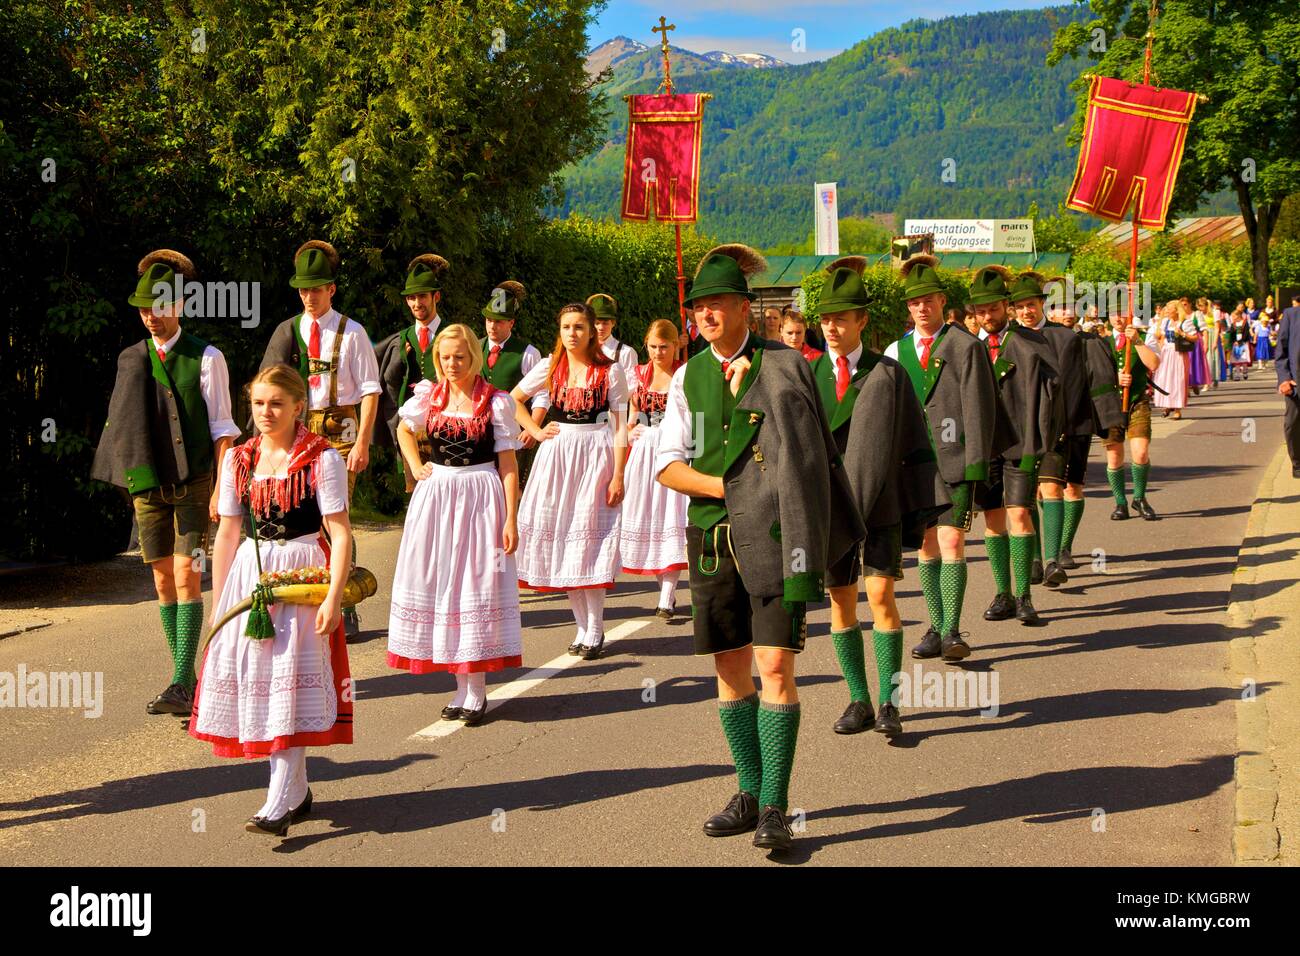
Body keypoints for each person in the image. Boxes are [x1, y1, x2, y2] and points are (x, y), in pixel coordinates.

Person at [656, 243, 864, 853]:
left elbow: (806, 457)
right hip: (714, 538)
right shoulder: (689, 375)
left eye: (718, 303)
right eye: (699, 306)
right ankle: (747, 790)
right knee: (729, 666)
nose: (706, 314)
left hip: (779, 538)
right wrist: (734, 487)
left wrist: (760, 408)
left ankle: (776, 804)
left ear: (747, 308)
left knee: (774, 665)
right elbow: (670, 464)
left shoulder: (786, 365)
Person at [189, 364, 354, 838]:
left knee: (289, 682)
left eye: (276, 403)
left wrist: (334, 596)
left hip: (303, 573)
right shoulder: (238, 459)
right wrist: (222, 604)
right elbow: (226, 534)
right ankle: (297, 792)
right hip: (251, 577)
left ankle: (278, 801)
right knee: (263, 678)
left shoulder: (323, 459)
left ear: (299, 406)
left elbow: (340, 534)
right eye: (258, 403)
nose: (265, 412)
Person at [91, 249, 240, 717]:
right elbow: (122, 425)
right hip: (148, 487)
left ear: (178, 306)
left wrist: (220, 488)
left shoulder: (207, 356)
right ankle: (186, 677)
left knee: (187, 574)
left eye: (159, 308)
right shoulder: (130, 358)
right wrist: (130, 483)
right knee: (160, 582)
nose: (151, 317)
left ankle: (181, 678)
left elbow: (223, 428)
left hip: (195, 483)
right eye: (143, 309)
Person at [812, 257, 946, 736]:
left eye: (841, 318)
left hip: (882, 505)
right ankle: (858, 700)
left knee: (881, 596)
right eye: (825, 318)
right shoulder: (810, 377)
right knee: (841, 602)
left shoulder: (888, 374)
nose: (831, 327)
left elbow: (916, 442)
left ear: (862, 321)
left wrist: (925, 507)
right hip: (831, 510)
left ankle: (890, 702)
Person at [386, 325, 523, 726]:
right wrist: (415, 466)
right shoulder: (429, 395)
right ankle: (460, 688)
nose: (451, 364)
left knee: (475, 584)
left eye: (459, 357)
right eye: (445, 357)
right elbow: (403, 429)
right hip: (438, 494)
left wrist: (511, 516)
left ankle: (476, 691)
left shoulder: (495, 402)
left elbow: (509, 464)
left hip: (481, 494)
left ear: (474, 358)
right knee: (443, 584)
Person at [259, 240, 381, 639]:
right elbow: (269, 382)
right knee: (305, 516)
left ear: (331, 289)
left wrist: (362, 441)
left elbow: (370, 390)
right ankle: (306, 592)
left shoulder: (353, 332)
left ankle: (343, 599)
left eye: (316, 289)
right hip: (298, 428)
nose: (309, 297)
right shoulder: (287, 330)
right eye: (303, 290)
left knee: (334, 514)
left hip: (341, 429)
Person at [884, 256, 1000, 661]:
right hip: (912, 466)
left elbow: (980, 408)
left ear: (941, 302)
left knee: (952, 541)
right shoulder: (895, 351)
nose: (922, 308)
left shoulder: (965, 346)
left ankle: (952, 630)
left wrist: (976, 467)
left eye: (929, 300)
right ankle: (934, 626)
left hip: (955, 462)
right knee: (927, 546)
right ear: (908, 308)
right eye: (915, 302)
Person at [512, 302, 629, 660]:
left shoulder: (611, 371)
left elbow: (621, 424)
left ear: (592, 330)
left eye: (579, 326)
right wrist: (533, 428)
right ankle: (582, 627)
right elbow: (513, 399)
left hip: (595, 453)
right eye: (566, 327)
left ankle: (595, 628)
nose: (573, 333)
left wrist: (619, 474)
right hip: (557, 454)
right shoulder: (550, 366)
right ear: (559, 331)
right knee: (564, 541)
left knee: (589, 543)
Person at [970, 266, 1061, 627]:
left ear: (1005, 307)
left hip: (1021, 442)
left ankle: (1024, 595)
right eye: (980, 311)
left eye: (993, 309)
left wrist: (1043, 441)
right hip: (984, 447)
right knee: (993, 522)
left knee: (1020, 514)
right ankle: (1003, 593)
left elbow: (1052, 397)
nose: (987, 317)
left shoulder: (1030, 343)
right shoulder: (969, 348)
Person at [1009, 272, 1086, 590]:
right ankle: (1037, 559)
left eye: (1031, 305)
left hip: (1056, 430)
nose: (1026, 312)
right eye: (1020, 307)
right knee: (1028, 498)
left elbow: (1074, 386)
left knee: (1052, 490)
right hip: (1018, 434)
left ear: (1042, 304)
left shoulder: (1065, 338)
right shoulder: (1008, 339)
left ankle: (1053, 559)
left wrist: (1066, 428)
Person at [621, 320, 689, 618]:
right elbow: (633, 413)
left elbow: (694, 415)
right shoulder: (638, 375)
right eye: (653, 346)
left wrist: (693, 452)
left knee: (670, 515)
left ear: (676, 346)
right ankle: (664, 590)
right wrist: (629, 430)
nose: (658, 352)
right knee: (649, 515)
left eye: (665, 347)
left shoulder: (685, 374)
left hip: (674, 446)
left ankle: (667, 595)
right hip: (645, 448)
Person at [374, 254, 449, 492]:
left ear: (435, 296)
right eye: (412, 298)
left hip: (446, 426)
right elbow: (389, 385)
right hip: (411, 429)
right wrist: (396, 364)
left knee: (447, 490)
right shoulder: (401, 339)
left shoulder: (453, 334)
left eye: (422, 296)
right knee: (417, 494)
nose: (417, 303)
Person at [479, 281, 548, 488]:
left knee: (511, 487)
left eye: (499, 321)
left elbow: (542, 395)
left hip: (513, 434)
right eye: (489, 320)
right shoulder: (474, 347)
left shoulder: (528, 353)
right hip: (480, 433)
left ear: (511, 323)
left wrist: (532, 429)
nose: (492, 326)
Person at [1104, 312, 1161, 521]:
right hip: (1110, 405)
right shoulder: (1102, 342)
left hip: (1138, 400)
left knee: (1140, 452)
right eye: (1113, 314)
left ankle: (1139, 497)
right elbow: (1092, 373)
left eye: (1122, 314)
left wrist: (1136, 341)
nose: (1118, 319)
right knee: (1114, 455)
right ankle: (1120, 502)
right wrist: (1114, 378)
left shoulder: (1145, 338)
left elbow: (1154, 364)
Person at [589, 293, 641, 385]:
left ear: (613, 323)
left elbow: (632, 384)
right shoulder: (583, 350)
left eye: (605, 323)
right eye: (596, 323)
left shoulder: (626, 352)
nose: (601, 327)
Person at [1150, 301, 1188, 420]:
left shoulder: (1184, 322)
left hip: (1177, 353)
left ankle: (1177, 409)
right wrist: (1158, 353)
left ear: (1176, 310)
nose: (1166, 310)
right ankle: (1167, 405)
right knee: (1164, 379)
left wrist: (1182, 333)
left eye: (1169, 308)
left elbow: (1194, 338)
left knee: (1176, 380)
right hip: (1166, 352)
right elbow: (1160, 338)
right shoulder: (1166, 322)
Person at [1277, 295, 1300, 479]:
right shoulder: (1291, 315)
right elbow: (1281, 351)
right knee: (1292, 424)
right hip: (1295, 381)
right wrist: (1284, 378)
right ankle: (1297, 463)